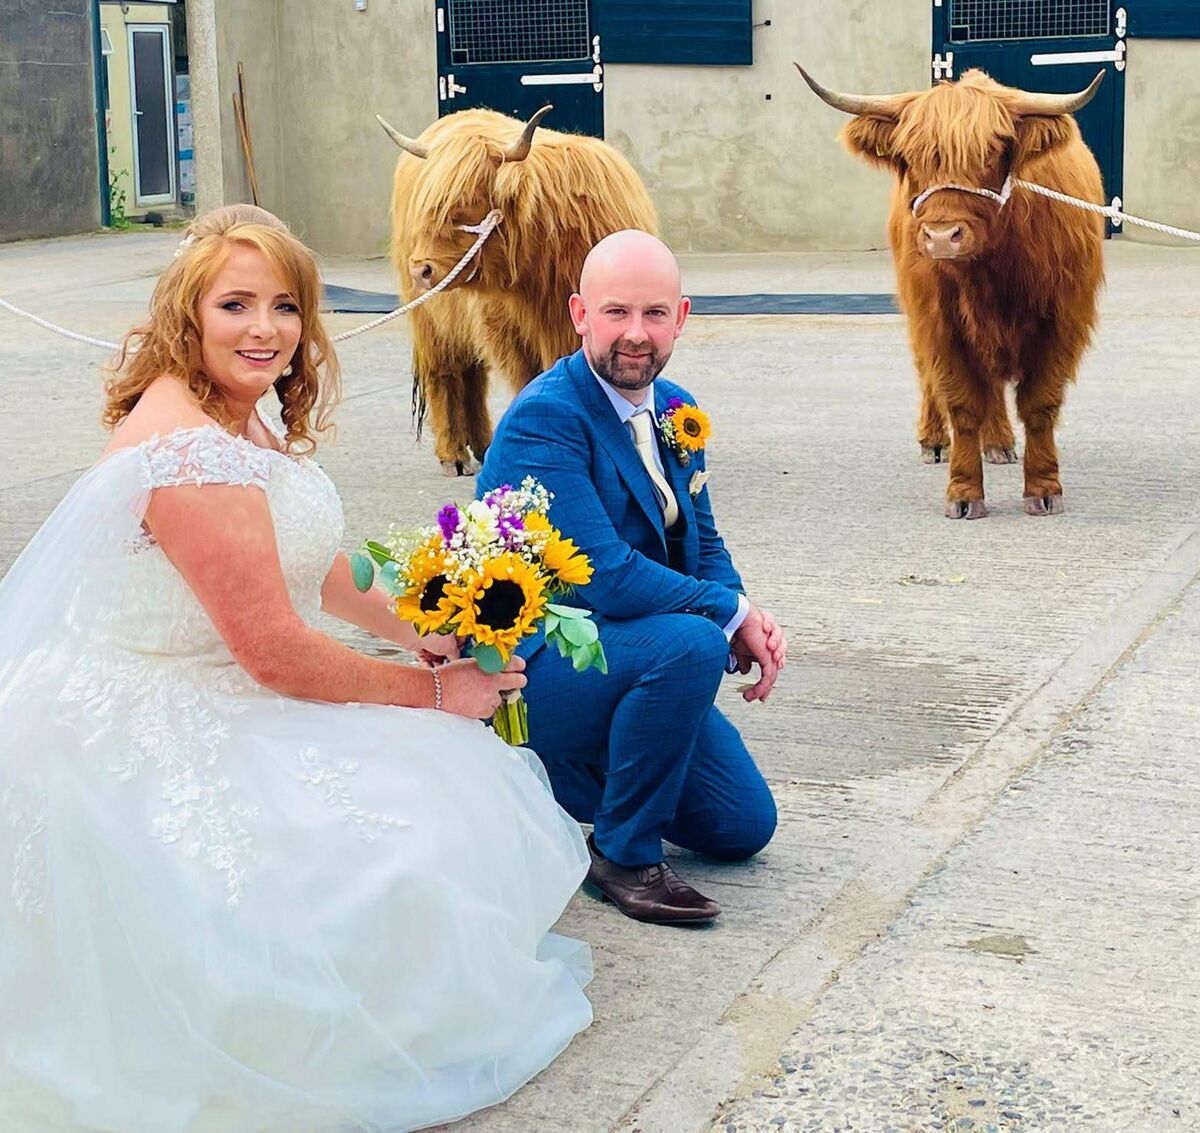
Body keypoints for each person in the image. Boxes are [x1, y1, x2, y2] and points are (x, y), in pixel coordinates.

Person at [0, 205, 592, 1133]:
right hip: (151, 708)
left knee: (435, 806)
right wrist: (440, 694)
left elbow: (312, 563)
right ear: (187, 314)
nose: (266, 329)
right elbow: (274, 650)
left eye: (286, 306)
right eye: (236, 304)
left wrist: (419, 627)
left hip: (222, 677)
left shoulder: (236, 410)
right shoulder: (187, 448)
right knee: (385, 857)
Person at [477, 230, 787, 927]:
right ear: (579, 314)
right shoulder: (547, 418)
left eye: (653, 314)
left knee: (743, 826)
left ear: (681, 317)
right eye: (616, 313)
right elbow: (605, 579)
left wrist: (745, 612)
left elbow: (703, 541)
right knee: (691, 645)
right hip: (540, 672)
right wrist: (725, 616)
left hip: (626, 656)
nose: (635, 335)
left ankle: (588, 778)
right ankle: (621, 853)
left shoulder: (676, 406)